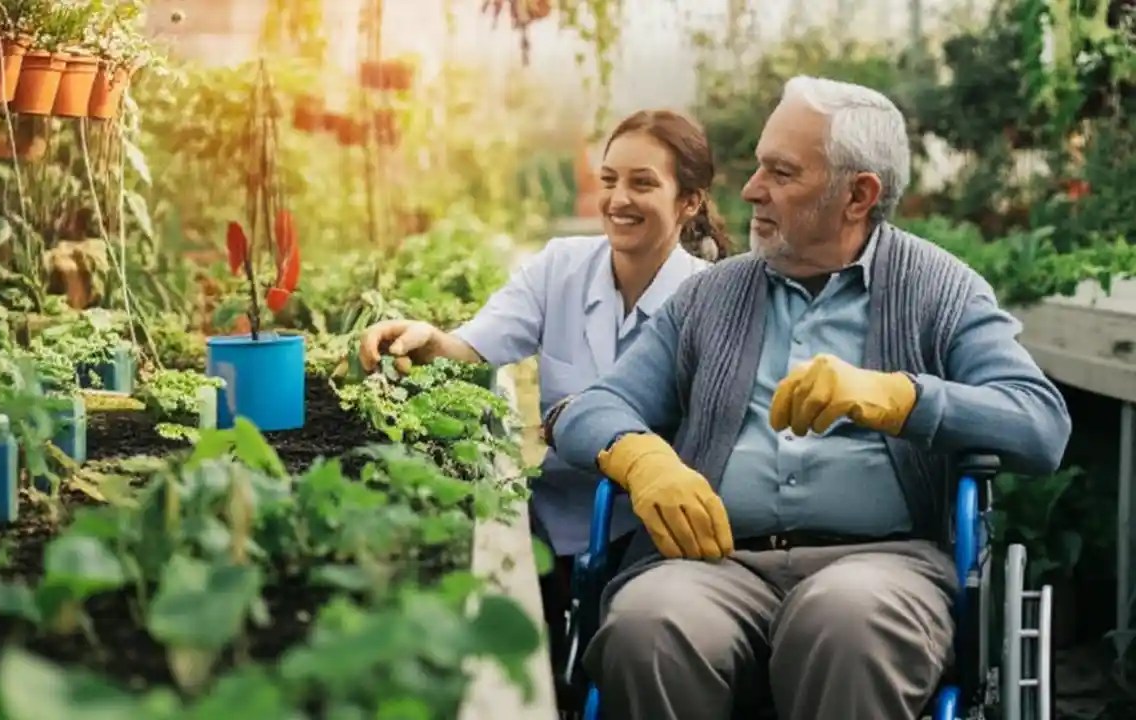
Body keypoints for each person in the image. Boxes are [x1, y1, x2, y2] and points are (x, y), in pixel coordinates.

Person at [546, 76, 1072, 720]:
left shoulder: (941, 290)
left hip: (883, 567)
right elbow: (592, 408)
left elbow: (1041, 425)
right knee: (646, 626)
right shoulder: (711, 297)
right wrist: (639, 458)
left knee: (845, 621)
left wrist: (899, 397)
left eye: (781, 172)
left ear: (858, 195)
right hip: (716, 564)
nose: (749, 189)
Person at [357, 109, 731, 688]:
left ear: (689, 202)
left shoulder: (710, 298)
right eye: (609, 180)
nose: (618, 199)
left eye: (642, 183)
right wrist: (424, 339)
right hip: (555, 522)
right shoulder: (562, 266)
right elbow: (472, 347)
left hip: (651, 538)